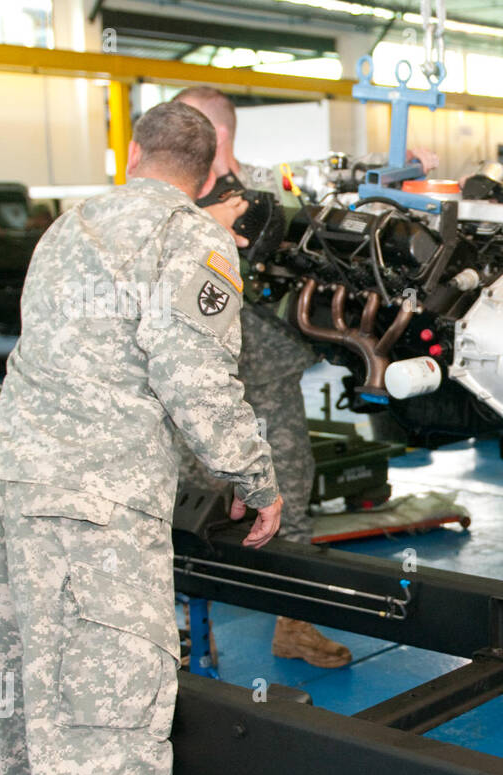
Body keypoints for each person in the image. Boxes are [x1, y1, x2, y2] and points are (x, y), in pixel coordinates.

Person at [0, 100, 283, 775]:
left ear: (132, 153)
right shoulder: (194, 237)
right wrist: (255, 478)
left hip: (0, 509)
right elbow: (193, 377)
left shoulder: (67, 229)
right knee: (103, 758)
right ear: (205, 176)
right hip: (90, 528)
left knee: (11, 743)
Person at [172, 86, 350, 668]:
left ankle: (294, 627)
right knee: (183, 508)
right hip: (189, 388)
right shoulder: (166, 202)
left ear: (219, 136)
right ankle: (190, 634)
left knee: (290, 503)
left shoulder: (268, 194)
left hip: (268, 383)